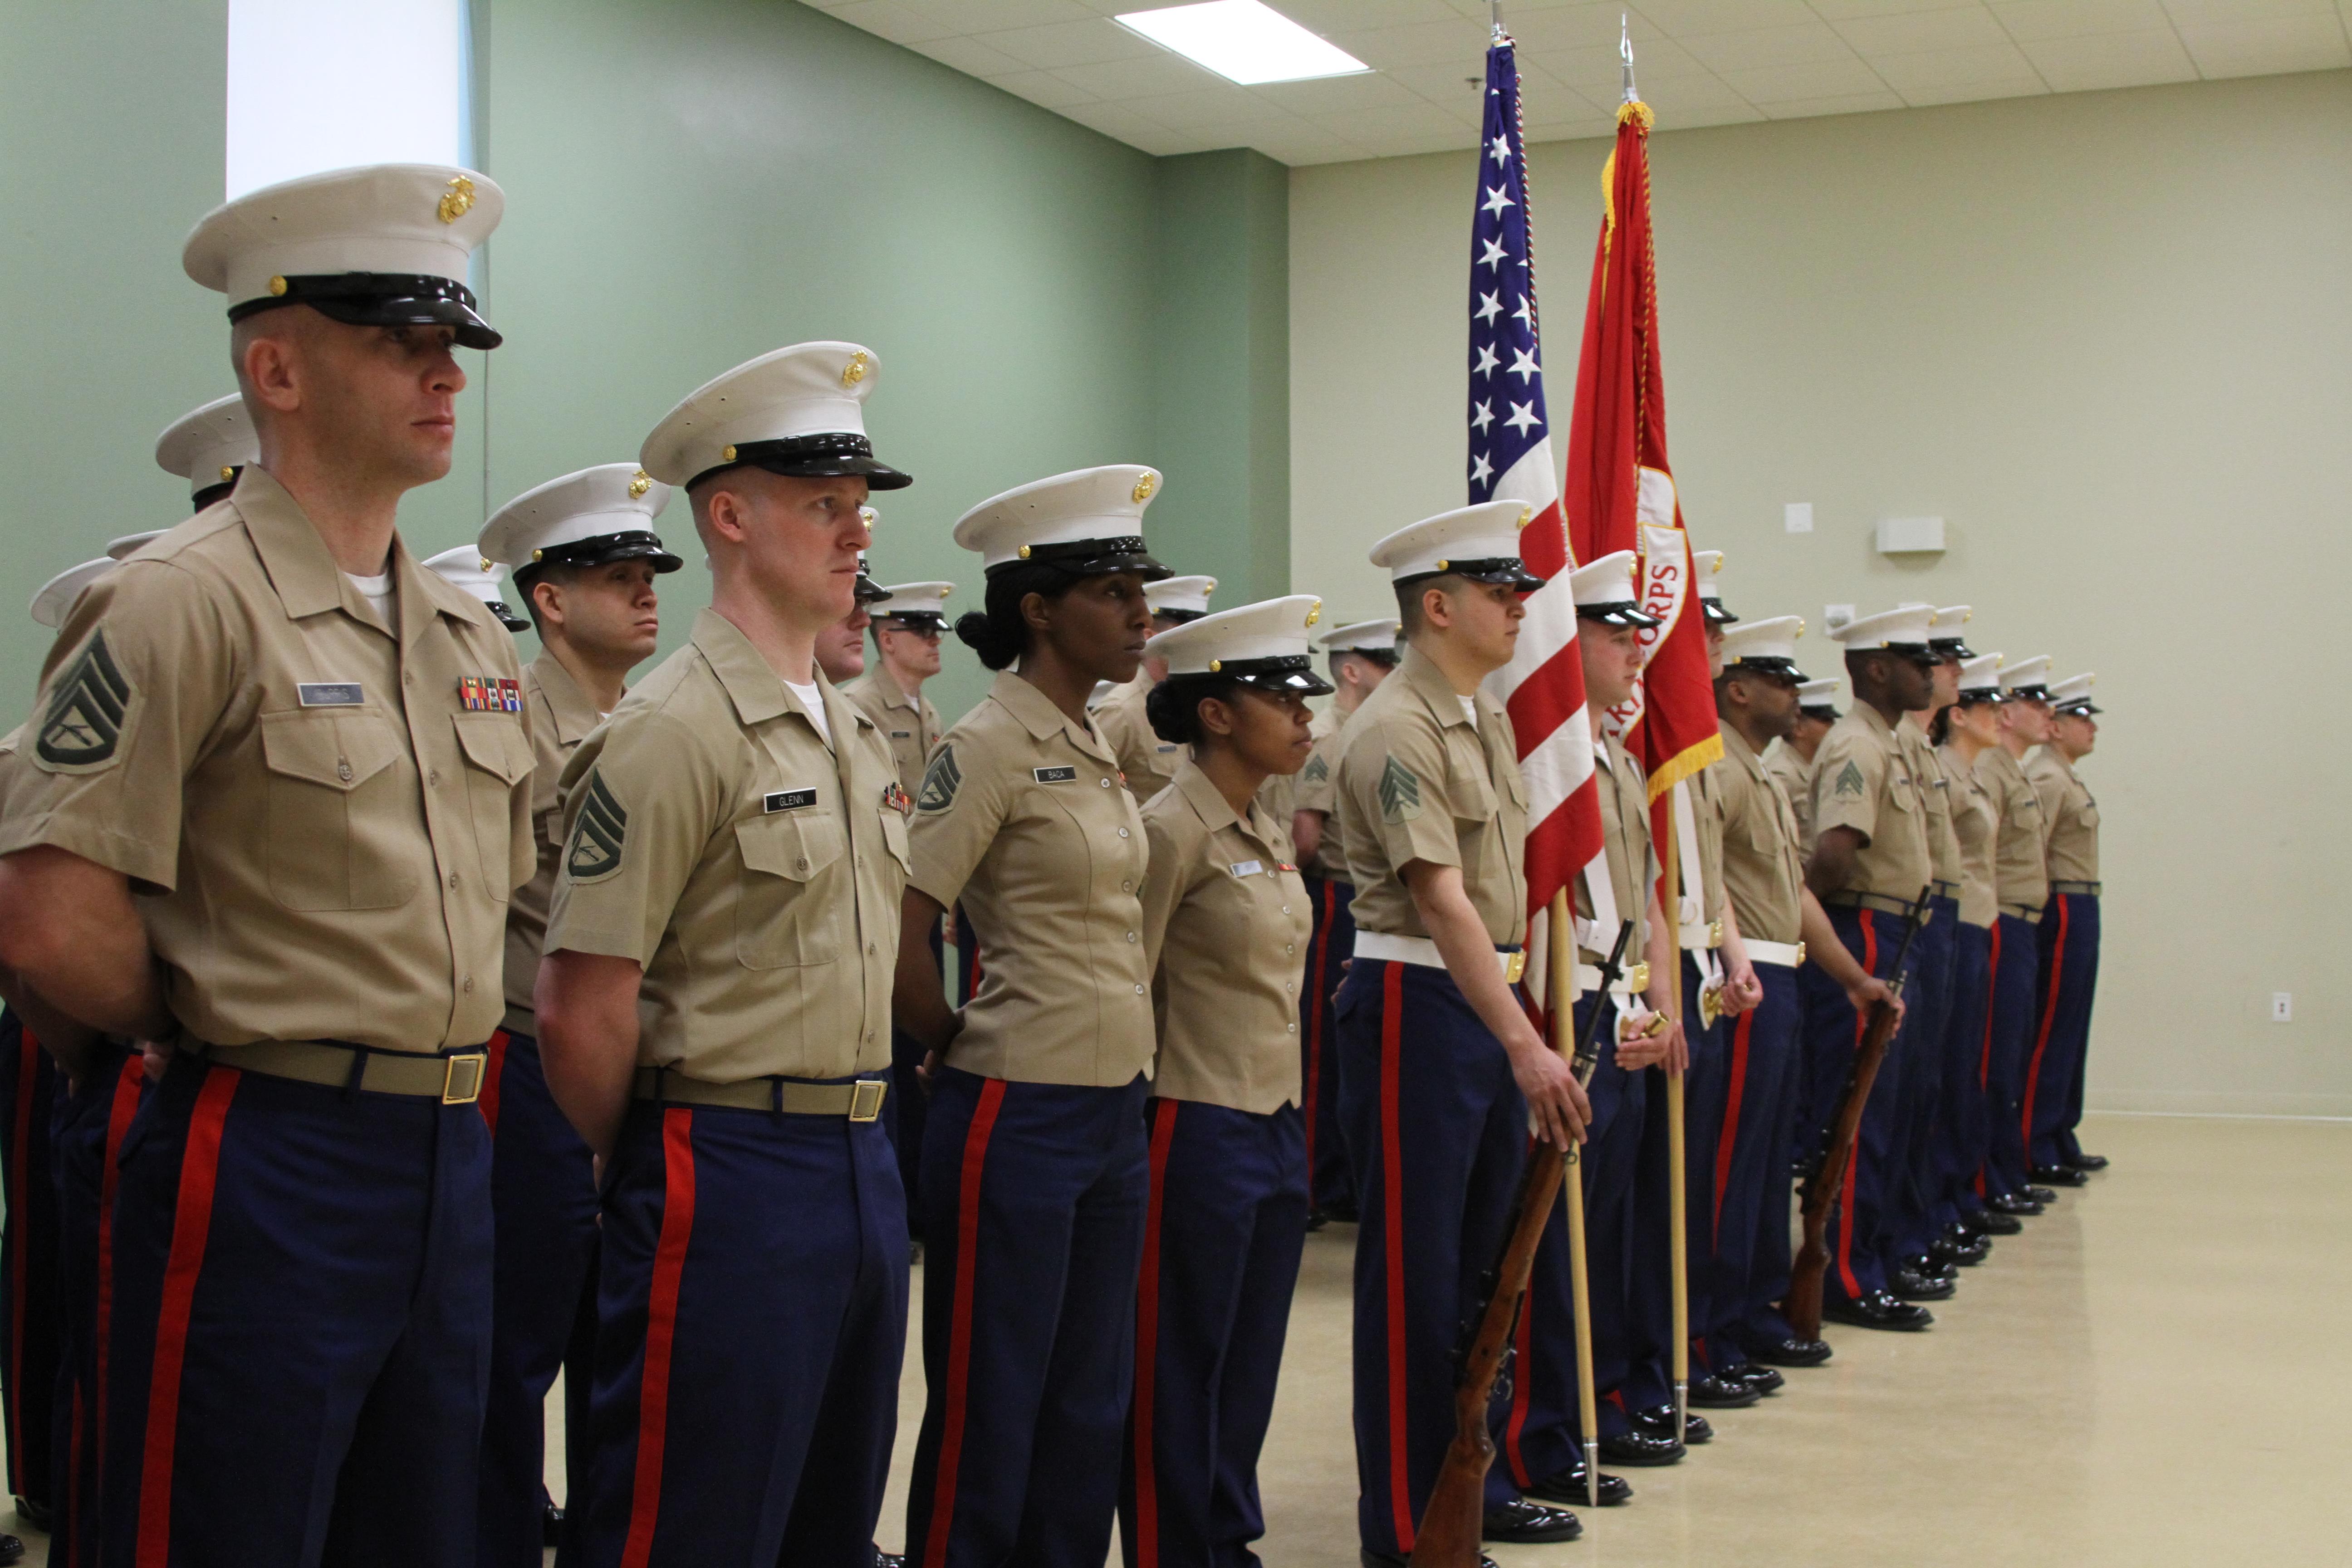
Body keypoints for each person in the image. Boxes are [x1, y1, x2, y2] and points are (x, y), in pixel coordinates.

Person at [0, 162, 525, 1564]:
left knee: (417, 1526)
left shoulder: (472, 639)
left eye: (451, 348)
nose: (444, 378)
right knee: (224, 1524)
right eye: (400, 343)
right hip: (271, 1150)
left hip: (448, 1150)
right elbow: (49, 916)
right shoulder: (179, 601)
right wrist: (194, 1019)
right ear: (279, 370)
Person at [536, 341, 912, 1566]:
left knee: (827, 1521)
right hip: (725, 1161)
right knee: (691, 1521)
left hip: (860, 1156)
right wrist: (636, 1166)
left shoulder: (849, 731)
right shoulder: (673, 728)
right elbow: (582, 1004)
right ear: (730, 516)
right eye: (824, 507)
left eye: (859, 509)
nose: (856, 536)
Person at [893, 465, 1168, 1568]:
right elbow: (906, 921)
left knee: (1089, 1394)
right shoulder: (986, 742)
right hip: (1015, 1104)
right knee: (991, 1397)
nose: (1138, 607)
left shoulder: (1096, 739)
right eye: (1110, 586)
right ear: (1041, 609)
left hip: (1112, 1111)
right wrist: (952, 1037)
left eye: (1137, 581)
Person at [1329, 502, 1591, 1561]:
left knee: (1488, 1266)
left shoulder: (1477, 716)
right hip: (1418, 1009)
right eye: (1498, 591)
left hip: (1482, 1005)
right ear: (1435, 606)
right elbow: (1438, 896)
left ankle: (1468, 1488)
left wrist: (1522, 1023)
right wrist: (1525, 1043)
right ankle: (1405, 1521)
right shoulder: (1395, 726)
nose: (1520, 605)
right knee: (1417, 1276)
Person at [473, 461, 682, 1565]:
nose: (646, 591)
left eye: (651, 569)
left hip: (636, 1056)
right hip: (532, 1057)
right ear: (548, 598)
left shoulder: (651, 716)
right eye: (616, 574)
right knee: (517, 1341)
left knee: (625, 1335)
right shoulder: (502, 711)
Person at [1117, 595, 1331, 1568]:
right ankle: (1172, 1548)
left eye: (1307, 698)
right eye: (1280, 698)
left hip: (1272, 1120)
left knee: (1247, 1356)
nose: (1305, 716)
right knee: (1180, 1359)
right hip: (1193, 1122)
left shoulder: (1263, 823)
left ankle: (1224, 1537)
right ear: (1213, 711)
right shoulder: (1169, 832)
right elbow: (1132, 983)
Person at [1502, 549, 1686, 1508]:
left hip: (1617, 1001)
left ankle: (1597, 1402)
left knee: (1609, 1229)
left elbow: (1636, 899)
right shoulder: (1544, 758)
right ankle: (1539, 1434)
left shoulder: (1612, 758)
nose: (1637, 647)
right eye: (1617, 633)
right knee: (1555, 1235)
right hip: (1560, 1002)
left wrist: (1651, 1003)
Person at [1702, 615, 1897, 1377]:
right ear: (1738, 687)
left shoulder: (1757, 769)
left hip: (1779, 969)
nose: (1794, 696)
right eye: (1778, 681)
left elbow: (1792, 895)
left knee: (1762, 1162)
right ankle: (1711, 1324)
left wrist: (1850, 977)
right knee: (1731, 1159)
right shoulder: (1718, 766)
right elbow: (1706, 882)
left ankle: (1753, 1306)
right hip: (1743, 972)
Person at [1800, 604, 1939, 1331]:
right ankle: (1845, 1275)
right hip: (1866, 928)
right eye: (1918, 662)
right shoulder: (1858, 744)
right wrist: (1819, 929)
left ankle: (1875, 1258)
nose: (1932, 673)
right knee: (1859, 1116)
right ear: (1877, 668)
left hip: (1897, 927)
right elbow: (1834, 852)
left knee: (1893, 1109)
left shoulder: (1889, 741)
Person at [843, 576, 955, 1237]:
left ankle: (914, 1200)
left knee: (914, 1055)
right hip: (883, 907)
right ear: (888, 640)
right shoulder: (863, 705)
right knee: (885, 1056)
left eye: (936, 630)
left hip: (918, 904)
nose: (934, 642)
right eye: (921, 631)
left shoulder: (926, 712)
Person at [1286, 616, 1399, 1225]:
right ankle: (1313, 1182)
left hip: (1367, 899)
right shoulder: (1328, 737)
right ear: (1352, 670)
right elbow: (1305, 838)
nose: (1394, 672)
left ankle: (1342, 1177)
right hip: (1333, 895)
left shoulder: (1372, 730)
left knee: (1353, 1048)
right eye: (1384, 662)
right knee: (1321, 1047)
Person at [1930, 655, 2015, 1248]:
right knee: (1951, 1071)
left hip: (1978, 924)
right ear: (1958, 716)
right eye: (1988, 707)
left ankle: (1960, 1194)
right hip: (1955, 925)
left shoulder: (1973, 774)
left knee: (1971, 1069)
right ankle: (1944, 1200)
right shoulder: (1943, 771)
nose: (2000, 718)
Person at [1971, 654, 2060, 1218]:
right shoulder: (1989, 770)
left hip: (2024, 923)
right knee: (1992, 1061)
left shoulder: (2017, 771)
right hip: (1999, 920)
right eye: (2034, 702)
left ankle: (2003, 1169)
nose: (2046, 714)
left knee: (2011, 1056)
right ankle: (1986, 1178)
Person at [2026, 674, 2107, 1179]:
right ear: (2054, 727)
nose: (2092, 727)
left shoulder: (2066, 776)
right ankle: (2036, 1142)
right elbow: (2031, 850)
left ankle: (2059, 1131)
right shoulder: (2049, 780)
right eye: (2081, 717)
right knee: (2052, 1028)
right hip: (2059, 904)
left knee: (2072, 1026)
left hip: (2082, 903)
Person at [1094, 572, 1215, 801]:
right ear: (1150, 637)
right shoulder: (1122, 711)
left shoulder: (1197, 704)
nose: (1197, 643)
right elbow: (1094, 793)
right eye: (1186, 634)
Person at [1766, 678, 1837, 856]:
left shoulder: (1819, 768)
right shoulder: (1781, 775)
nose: (1833, 727)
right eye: (1825, 720)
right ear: (1798, 727)